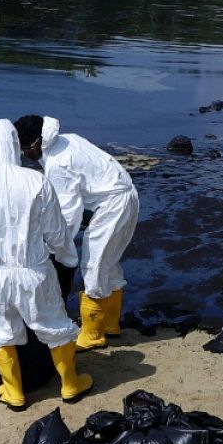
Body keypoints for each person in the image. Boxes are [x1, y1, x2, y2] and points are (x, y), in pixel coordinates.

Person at [0, 120, 94, 409]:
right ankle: (70, 384)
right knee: (54, 325)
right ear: (15, 145)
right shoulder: (36, 181)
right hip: (35, 271)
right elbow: (56, 231)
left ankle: (14, 390)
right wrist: (68, 259)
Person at [15, 115, 139, 351]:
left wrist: (54, 250)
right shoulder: (65, 140)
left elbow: (68, 215)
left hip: (112, 205)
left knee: (93, 265)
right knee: (108, 264)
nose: (25, 156)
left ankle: (92, 334)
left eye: (26, 150)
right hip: (121, 197)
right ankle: (111, 324)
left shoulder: (59, 164)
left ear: (39, 142)